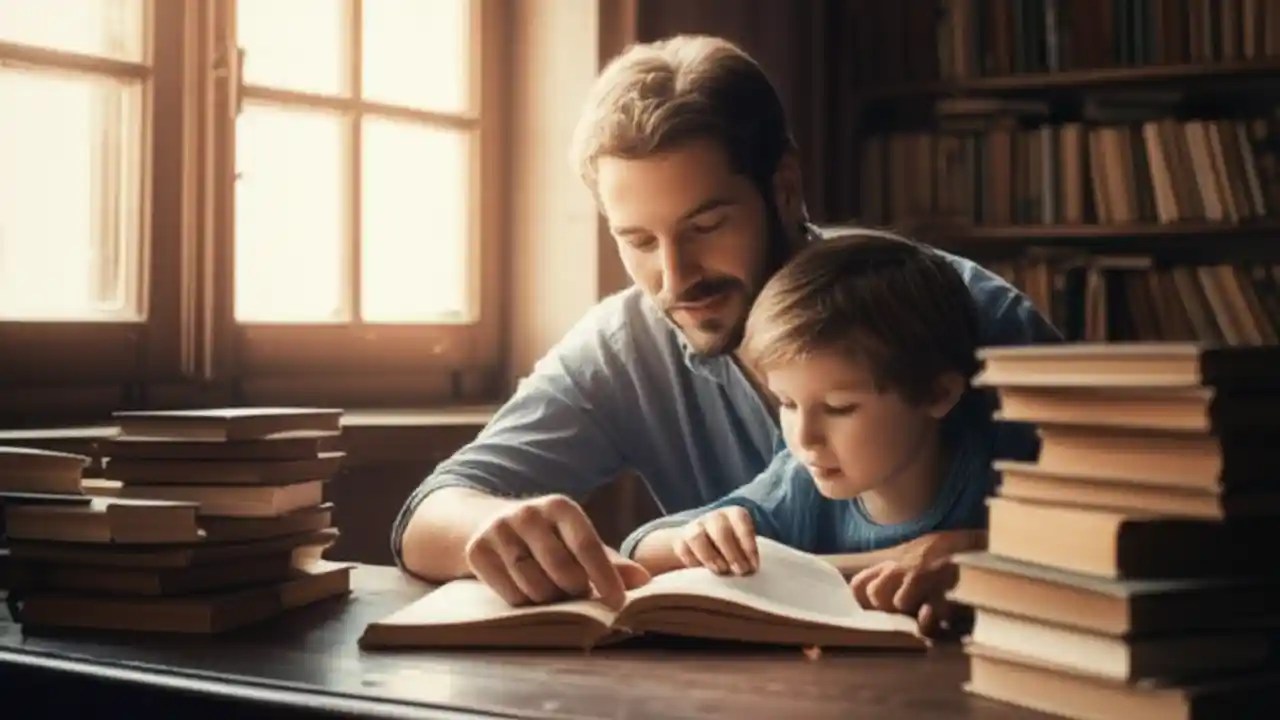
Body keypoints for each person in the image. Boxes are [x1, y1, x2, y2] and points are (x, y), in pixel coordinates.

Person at [391, 34, 1060, 610]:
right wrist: (500, 526)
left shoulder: (968, 314)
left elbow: (1126, 535)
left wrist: (988, 554)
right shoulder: (625, 346)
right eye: (638, 241)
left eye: (707, 225)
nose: (676, 277)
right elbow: (429, 515)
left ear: (784, 187)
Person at [625, 234, 995, 635]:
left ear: (938, 394)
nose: (804, 439)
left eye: (839, 408)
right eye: (786, 403)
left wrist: (975, 552)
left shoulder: (1002, 481)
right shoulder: (798, 485)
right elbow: (640, 553)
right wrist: (697, 536)